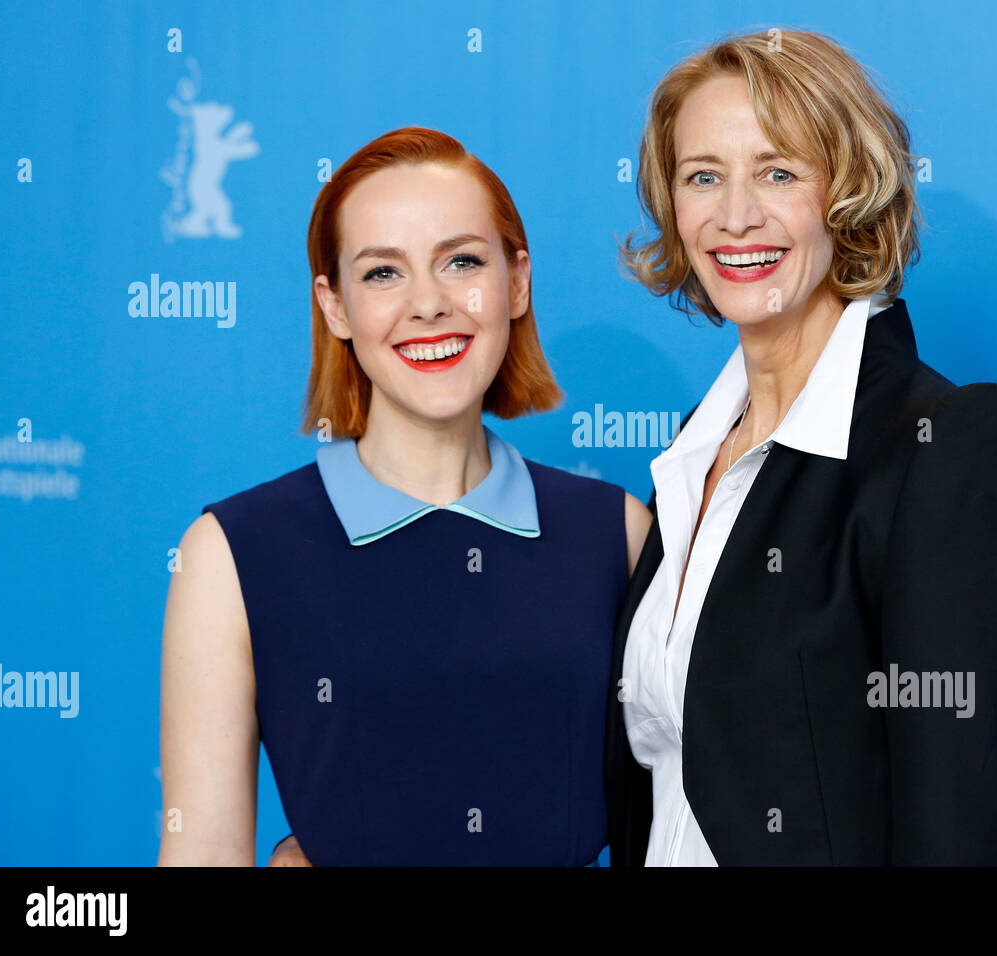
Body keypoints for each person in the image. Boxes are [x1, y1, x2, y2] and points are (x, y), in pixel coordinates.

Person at [606, 29, 997, 865]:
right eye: (704, 175)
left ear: (850, 193)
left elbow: (963, 836)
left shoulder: (949, 447)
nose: (736, 214)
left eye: (778, 172)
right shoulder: (689, 460)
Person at [158, 127, 653, 866]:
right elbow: (202, 852)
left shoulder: (616, 533)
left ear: (517, 281)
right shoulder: (234, 553)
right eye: (383, 273)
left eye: (462, 261)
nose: (429, 304)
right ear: (334, 307)